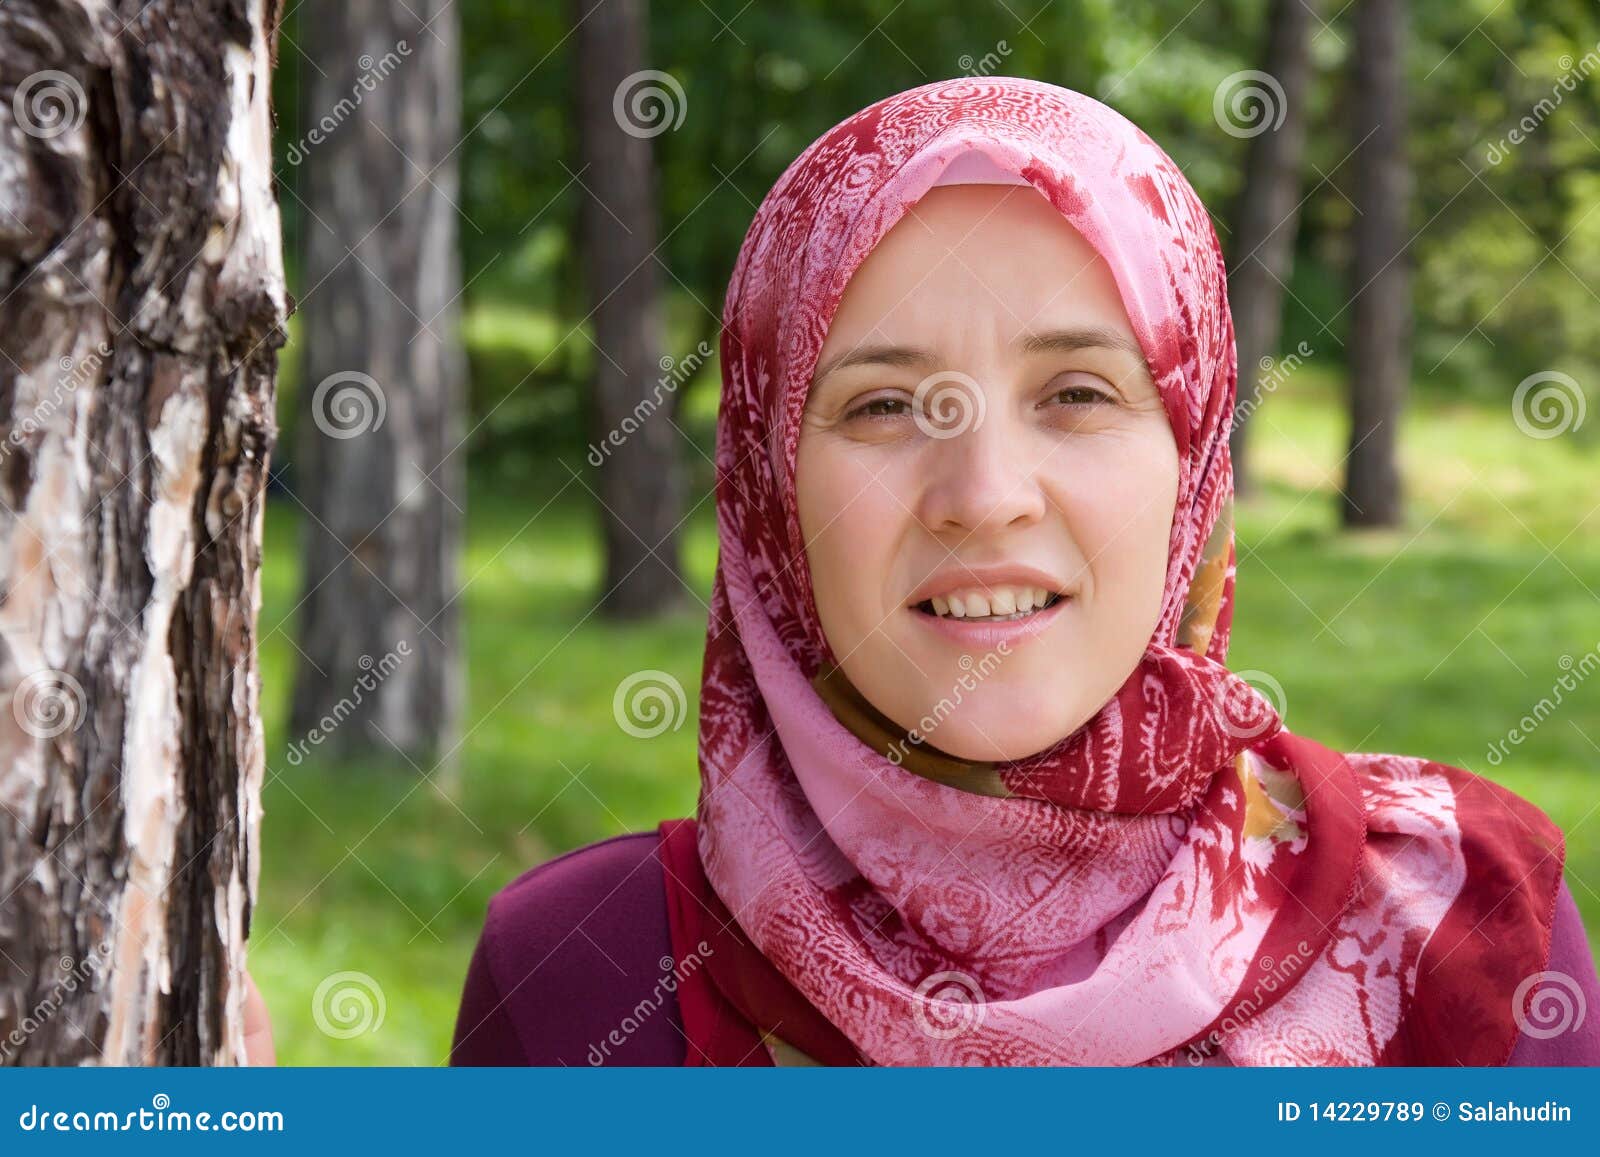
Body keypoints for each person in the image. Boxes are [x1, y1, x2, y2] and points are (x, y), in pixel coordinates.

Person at [443, 76, 1600, 1067]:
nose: (984, 491)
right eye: (883, 405)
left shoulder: (1473, 925)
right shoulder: (580, 975)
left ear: (1191, 463)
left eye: (1076, 394)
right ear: (767, 489)